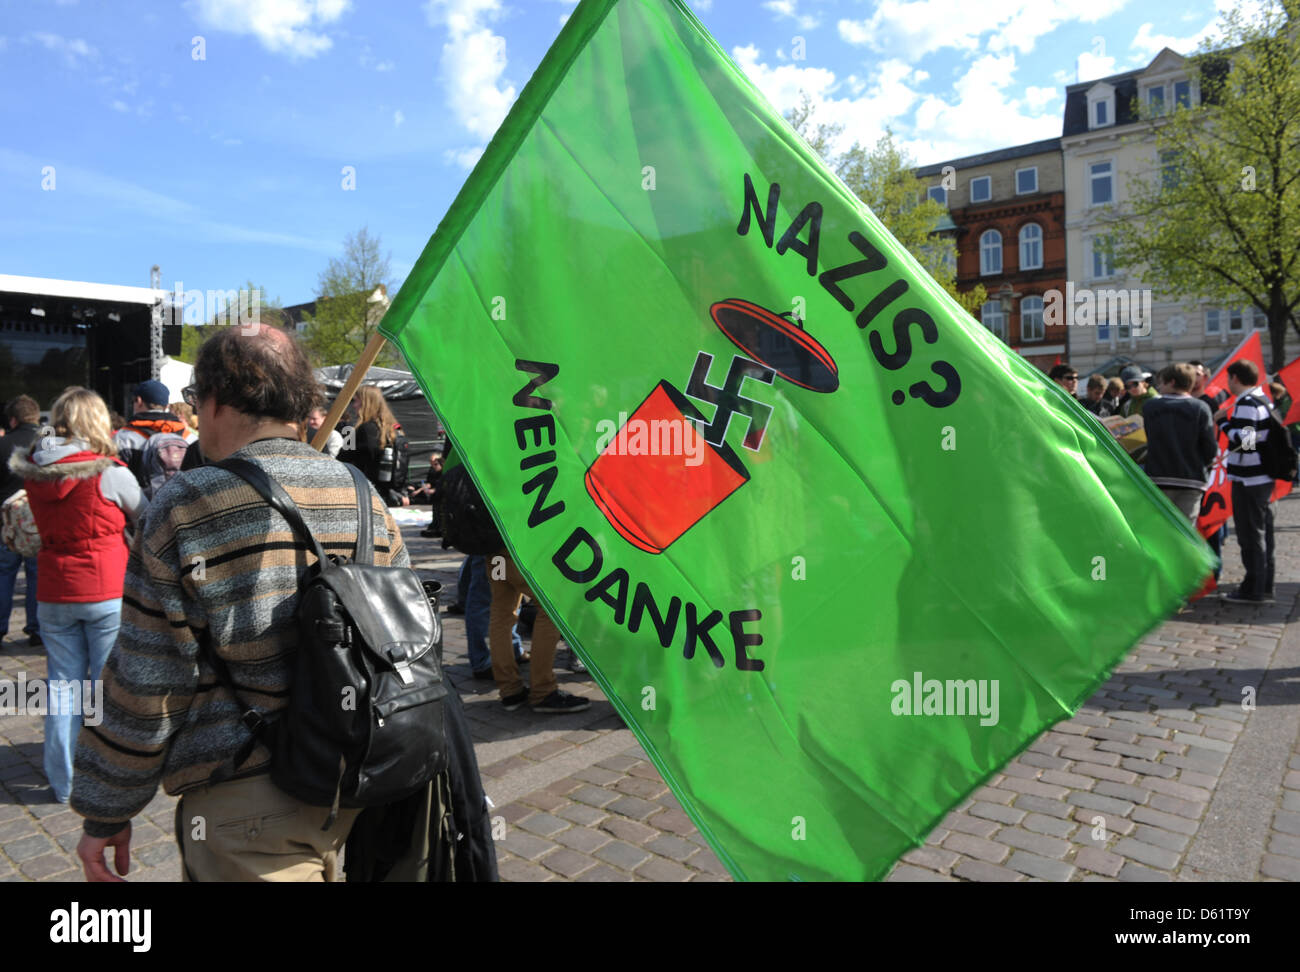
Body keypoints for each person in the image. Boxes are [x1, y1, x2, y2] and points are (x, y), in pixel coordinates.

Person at [72, 325, 409, 882]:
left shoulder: (188, 501)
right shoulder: (359, 489)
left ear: (213, 401)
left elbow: (148, 680)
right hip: (364, 779)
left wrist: (106, 809)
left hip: (249, 802)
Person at [11, 388, 144, 803]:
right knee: (104, 688)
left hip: (53, 591)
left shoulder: (34, 471)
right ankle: (104, 774)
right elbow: (147, 517)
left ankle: (64, 782)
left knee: (62, 687)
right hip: (105, 589)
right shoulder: (109, 471)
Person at [488, 548, 587, 714]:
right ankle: (543, 690)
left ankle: (510, 689)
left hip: (495, 551)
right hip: (517, 546)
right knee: (551, 607)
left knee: (502, 613)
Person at [1214, 359, 1275, 603]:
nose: (1228, 383)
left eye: (1229, 378)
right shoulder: (1262, 399)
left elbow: (1246, 443)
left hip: (1250, 478)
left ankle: (1254, 589)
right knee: (1262, 533)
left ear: (1236, 379)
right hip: (1260, 478)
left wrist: (1223, 422)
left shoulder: (1247, 403)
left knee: (1251, 535)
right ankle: (1263, 585)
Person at [1143, 364, 1217, 522]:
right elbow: (1210, 447)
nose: (1159, 387)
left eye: (1161, 383)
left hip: (1158, 476)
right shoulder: (1201, 407)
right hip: (1192, 478)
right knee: (1186, 533)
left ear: (1171, 382)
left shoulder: (1150, 407)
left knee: (1161, 529)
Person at [0, 394, 43, 646]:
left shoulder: (3, 444)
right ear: (36, 416)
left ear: (13, 420)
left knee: (4, 574)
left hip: (6, 523)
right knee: (36, 575)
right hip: (39, 519)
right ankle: (36, 629)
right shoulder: (46, 440)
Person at [337, 386, 409, 506]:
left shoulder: (364, 429)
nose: (354, 405)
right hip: (389, 490)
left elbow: (344, 457)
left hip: (367, 491)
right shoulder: (394, 428)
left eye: (356, 401)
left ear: (366, 402)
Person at [113, 379, 188, 487]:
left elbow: (116, 481)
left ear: (139, 401)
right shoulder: (189, 436)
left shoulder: (123, 437)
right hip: (180, 502)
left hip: (139, 502)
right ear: (166, 406)